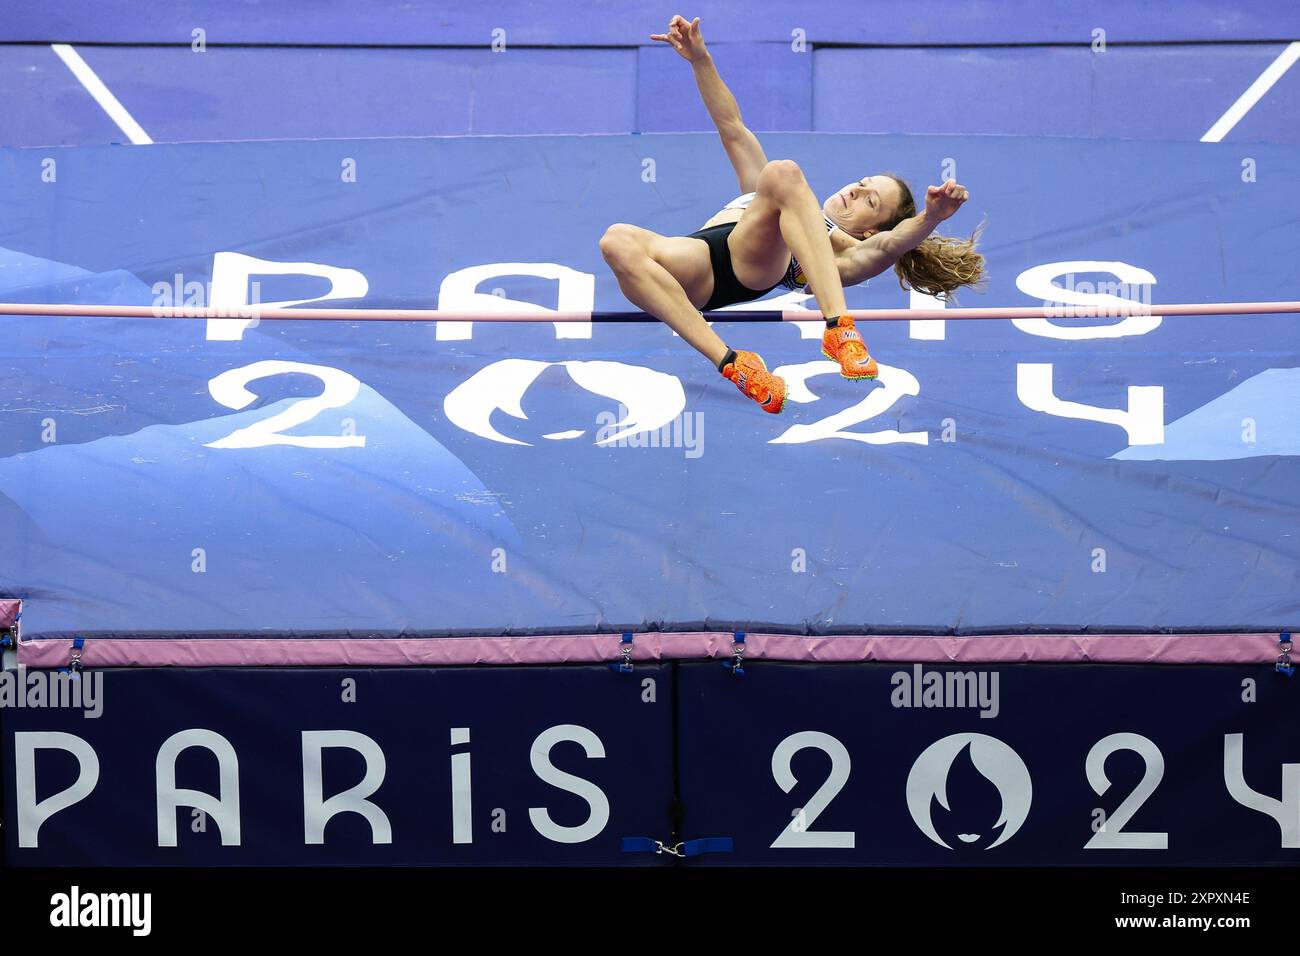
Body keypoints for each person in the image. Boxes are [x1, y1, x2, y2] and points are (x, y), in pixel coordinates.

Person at [600, 15, 986, 413]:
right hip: (688, 269)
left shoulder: (843, 252)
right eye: (862, 182)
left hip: (746, 269)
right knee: (616, 240)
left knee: (783, 172)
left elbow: (889, 246)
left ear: (869, 230)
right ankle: (734, 364)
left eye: (869, 202)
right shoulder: (771, 196)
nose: (855, 190)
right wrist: (700, 60)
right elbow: (731, 125)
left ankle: (839, 329)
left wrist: (931, 218)